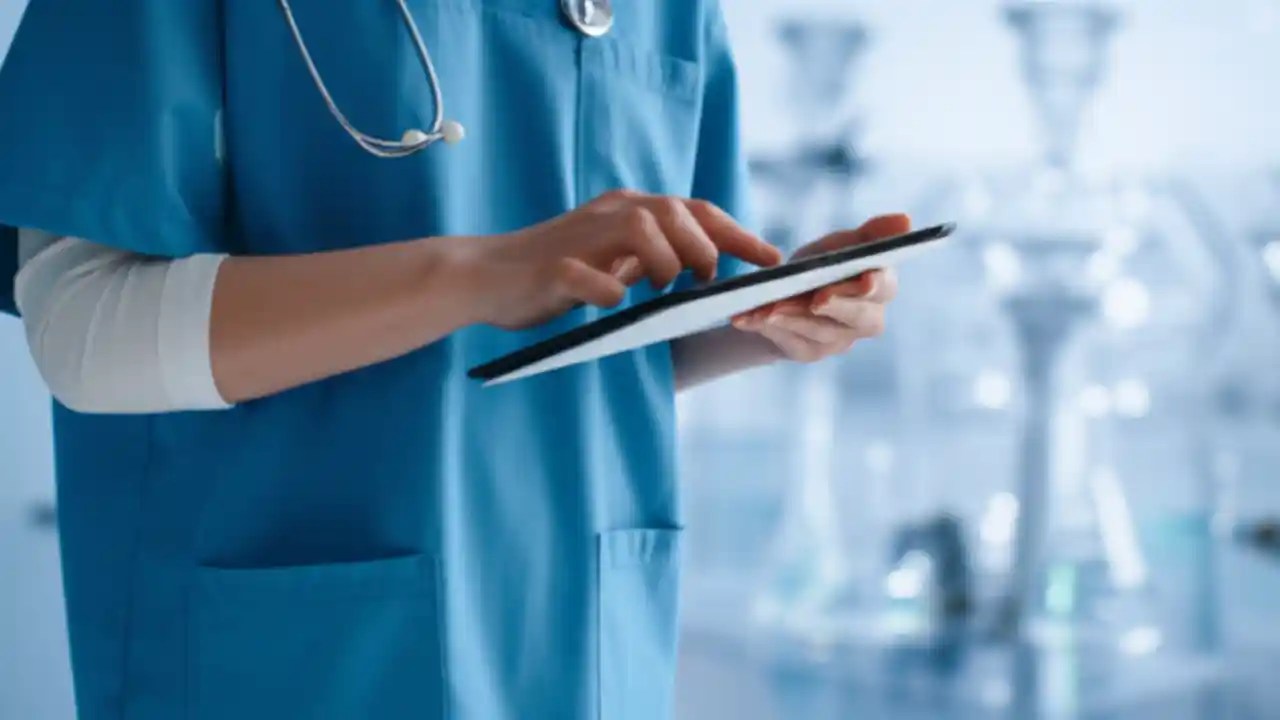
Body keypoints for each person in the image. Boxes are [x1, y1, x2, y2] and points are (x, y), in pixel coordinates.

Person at [0, 1, 906, 718]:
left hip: (588, 650)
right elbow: (86, 333)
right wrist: (476, 271)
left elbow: (603, 340)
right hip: (304, 660)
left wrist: (760, 316)